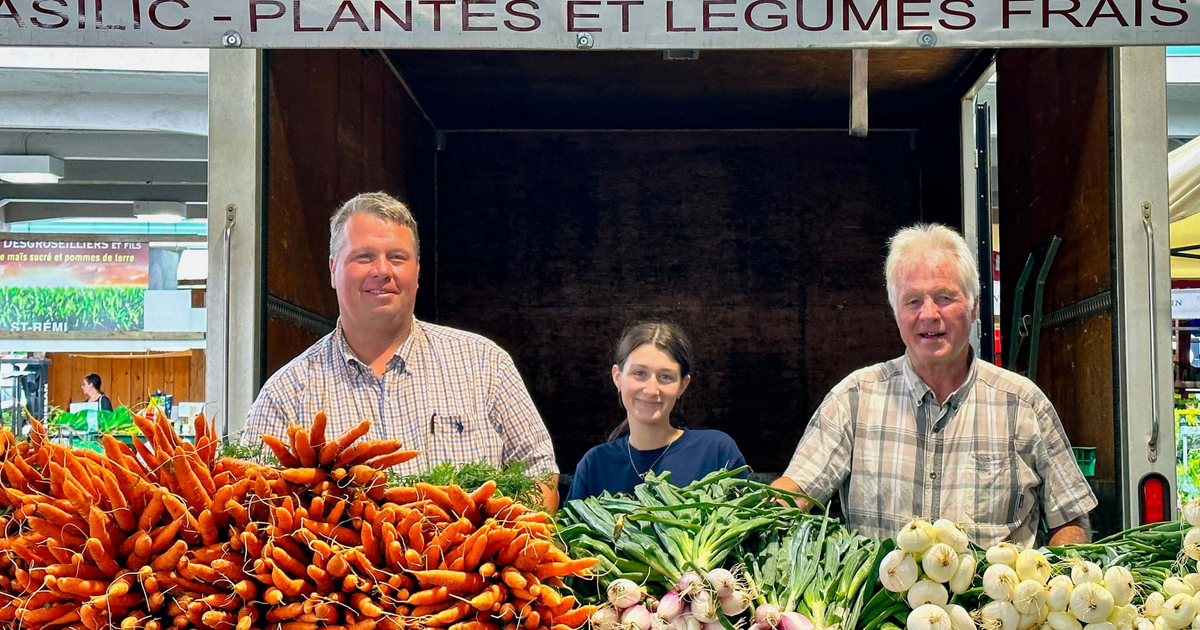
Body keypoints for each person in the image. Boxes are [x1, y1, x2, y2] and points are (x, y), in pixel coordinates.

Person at [772, 224, 1097, 548]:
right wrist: (752, 520)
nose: (929, 315)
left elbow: (1069, 519)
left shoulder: (1023, 405)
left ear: (973, 306)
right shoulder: (853, 400)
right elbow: (796, 491)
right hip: (883, 598)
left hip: (995, 598)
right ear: (896, 312)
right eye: (913, 301)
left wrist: (1061, 575)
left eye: (944, 297)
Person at [243, 192, 560, 509]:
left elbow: (540, 474)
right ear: (333, 269)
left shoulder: (483, 364)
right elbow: (253, 502)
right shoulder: (286, 395)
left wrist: (500, 543)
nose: (382, 270)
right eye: (364, 257)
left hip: (477, 558)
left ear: (417, 270)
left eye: (397, 257)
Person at [566, 321, 747, 502]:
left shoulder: (715, 451)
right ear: (617, 377)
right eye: (639, 373)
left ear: (683, 386)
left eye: (665, 377)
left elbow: (748, 524)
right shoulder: (595, 465)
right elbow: (565, 530)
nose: (651, 390)